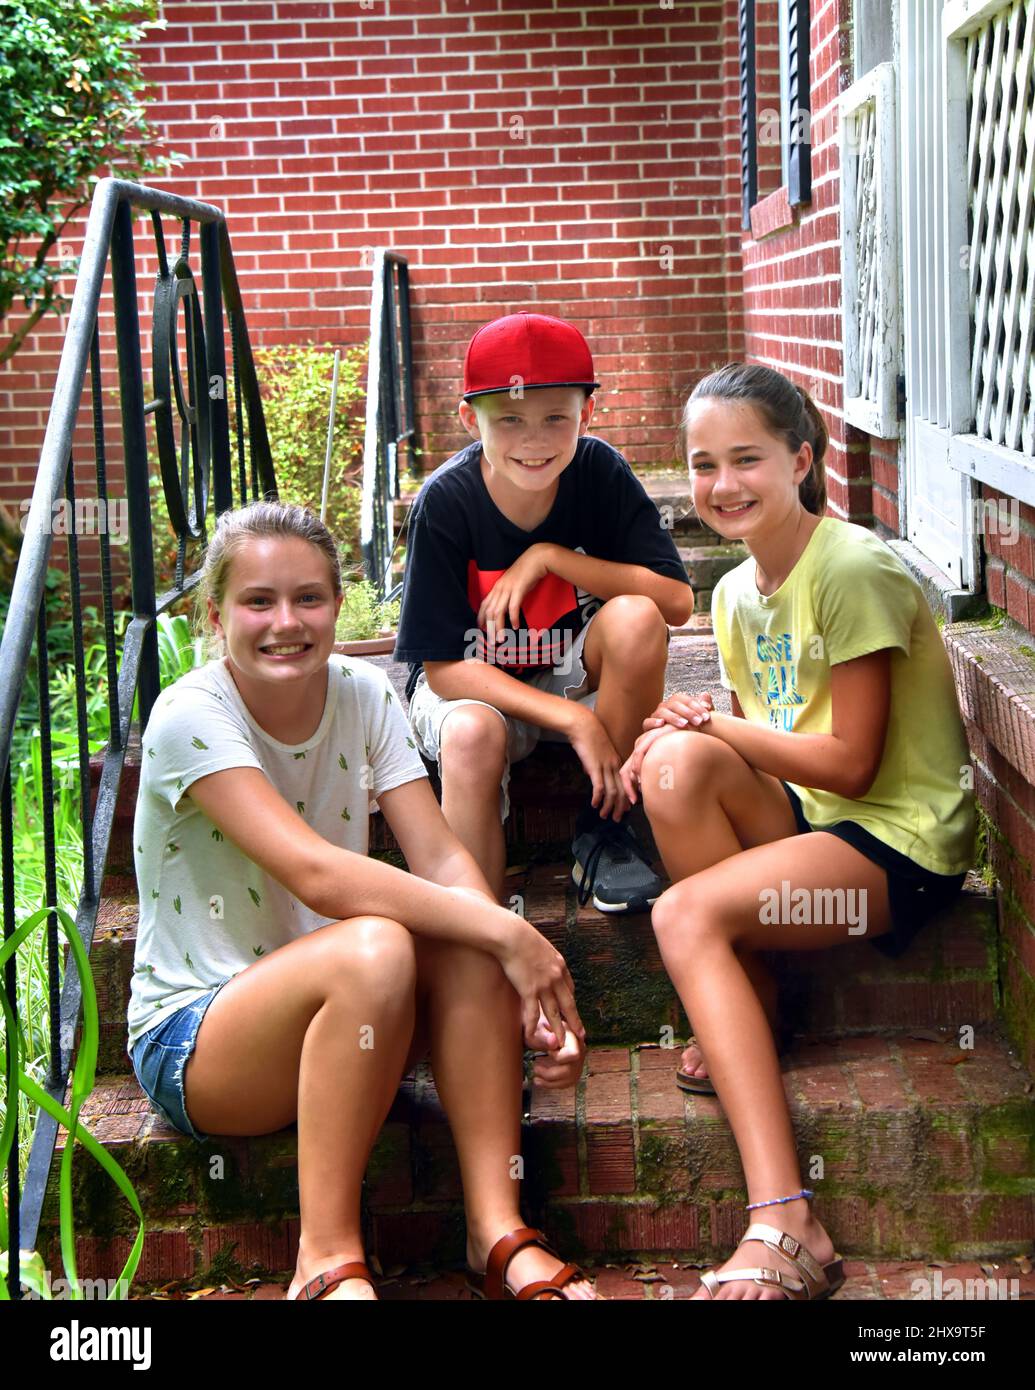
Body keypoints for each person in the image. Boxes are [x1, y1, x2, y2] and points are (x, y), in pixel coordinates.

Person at [127, 500, 598, 1301]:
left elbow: (440, 856)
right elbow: (316, 875)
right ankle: (324, 1260)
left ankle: (495, 1231)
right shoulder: (189, 715)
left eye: (308, 598)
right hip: (200, 1043)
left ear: (337, 606)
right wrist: (510, 936)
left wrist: (505, 950)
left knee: (466, 925)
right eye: (258, 601)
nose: (286, 622)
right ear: (214, 615)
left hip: (345, 1020)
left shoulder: (362, 692)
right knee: (390, 941)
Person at [619, 363, 975, 1301]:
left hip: (896, 843)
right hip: (815, 823)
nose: (723, 483)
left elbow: (851, 764)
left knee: (683, 914)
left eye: (746, 459)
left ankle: (786, 1219)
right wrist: (683, 731)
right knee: (672, 765)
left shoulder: (851, 569)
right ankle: (757, 1001)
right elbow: (761, 748)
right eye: (703, 464)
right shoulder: (735, 593)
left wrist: (717, 725)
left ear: (802, 460)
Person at [394, 311, 694, 912]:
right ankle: (478, 921)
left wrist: (551, 558)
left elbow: (675, 602)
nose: (534, 441)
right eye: (509, 419)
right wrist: (576, 722)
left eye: (555, 417)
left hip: (569, 676)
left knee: (636, 619)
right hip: (476, 689)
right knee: (472, 733)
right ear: (469, 419)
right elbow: (446, 671)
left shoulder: (598, 472)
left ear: (586, 414)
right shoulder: (446, 502)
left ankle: (604, 833)